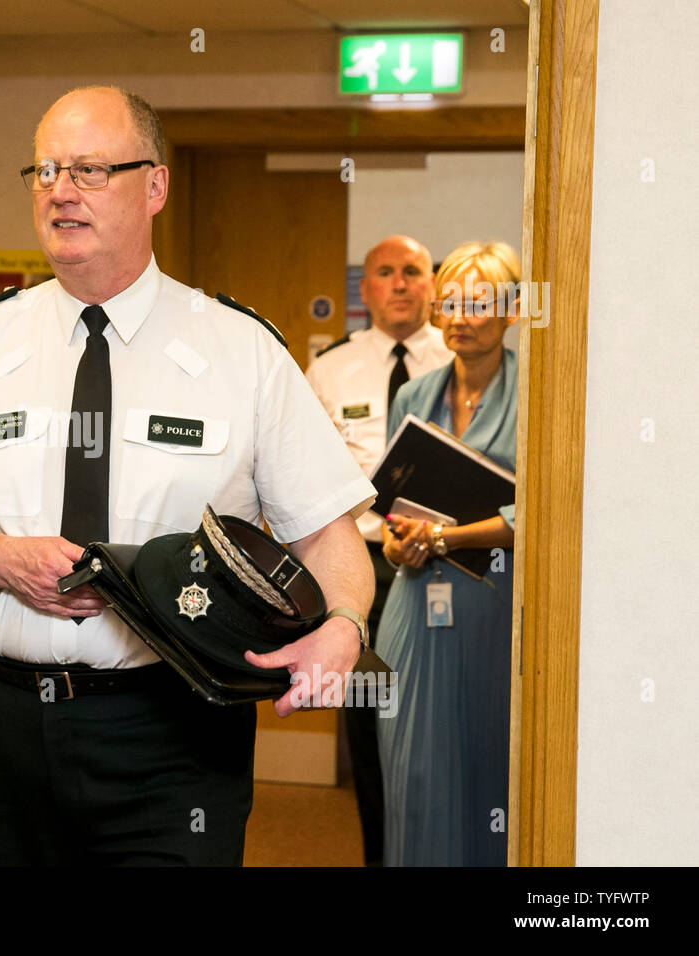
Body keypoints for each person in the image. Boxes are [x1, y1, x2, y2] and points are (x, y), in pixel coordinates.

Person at [0, 86, 376, 866]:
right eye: (44, 170)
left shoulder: (241, 350)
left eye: (88, 169)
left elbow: (327, 530)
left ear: (155, 186)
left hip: (179, 728)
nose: (60, 191)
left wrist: (343, 627)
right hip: (14, 723)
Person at [304, 234, 454, 866]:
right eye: (385, 273)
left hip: (450, 567)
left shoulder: (461, 357)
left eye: (413, 272)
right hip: (363, 571)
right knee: (371, 724)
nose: (400, 283)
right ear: (363, 289)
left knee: (444, 722)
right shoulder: (331, 367)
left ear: (432, 284)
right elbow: (306, 475)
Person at [376, 240, 521, 866]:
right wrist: (397, 543)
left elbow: (538, 517)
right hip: (414, 606)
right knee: (414, 774)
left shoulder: (536, 396)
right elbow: (394, 505)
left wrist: (448, 539)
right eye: (451, 303)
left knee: (490, 767)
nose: (460, 317)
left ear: (512, 310)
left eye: (479, 304)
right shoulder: (416, 396)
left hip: (496, 607)